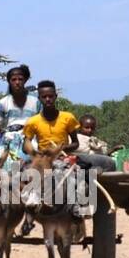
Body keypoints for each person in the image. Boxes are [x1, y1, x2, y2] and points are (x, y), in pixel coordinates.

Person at [19, 80, 82, 234]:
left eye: (50, 96)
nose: (47, 99)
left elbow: (76, 143)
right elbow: (25, 144)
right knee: (22, 177)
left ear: (56, 96)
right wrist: (34, 153)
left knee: (75, 176)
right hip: (42, 159)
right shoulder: (33, 121)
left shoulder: (68, 118)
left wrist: (60, 148)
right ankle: (26, 216)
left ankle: (75, 208)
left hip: (62, 157)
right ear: (39, 98)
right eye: (44, 97)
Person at [0, 64, 41, 170]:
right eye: (14, 79)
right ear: (9, 82)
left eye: (20, 79)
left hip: (30, 138)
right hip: (9, 137)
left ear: (25, 80)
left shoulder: (36, 101)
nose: (17, 82)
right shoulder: (3, 102)